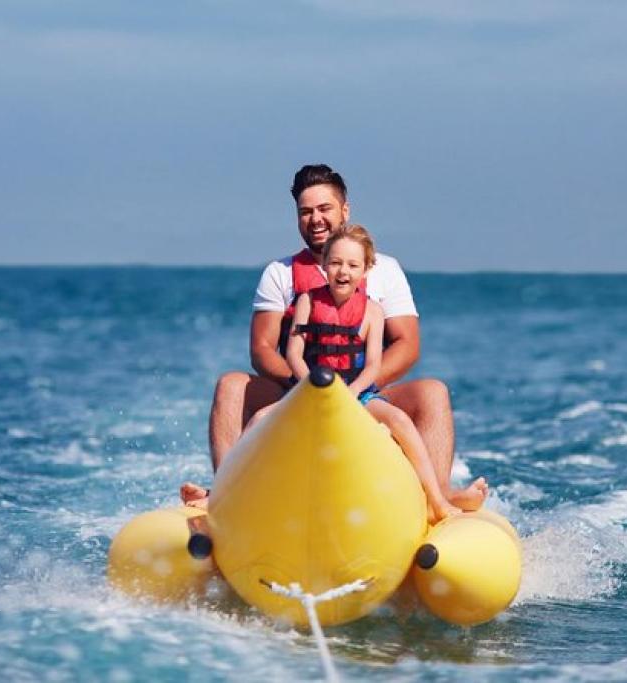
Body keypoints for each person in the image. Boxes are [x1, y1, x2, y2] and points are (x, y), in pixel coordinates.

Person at [182, 164, 481, 510]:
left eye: (324, 209)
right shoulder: (280, 274)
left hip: (365, 391)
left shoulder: (385, 269)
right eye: (306, 212)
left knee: (433, 392)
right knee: (231, 385)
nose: (316, 219)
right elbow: (263, 348)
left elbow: (407, 344)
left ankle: (436, 497)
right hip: (299, 388)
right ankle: (226, 495)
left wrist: (350, 393)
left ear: (344, 210)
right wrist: (310, 387)